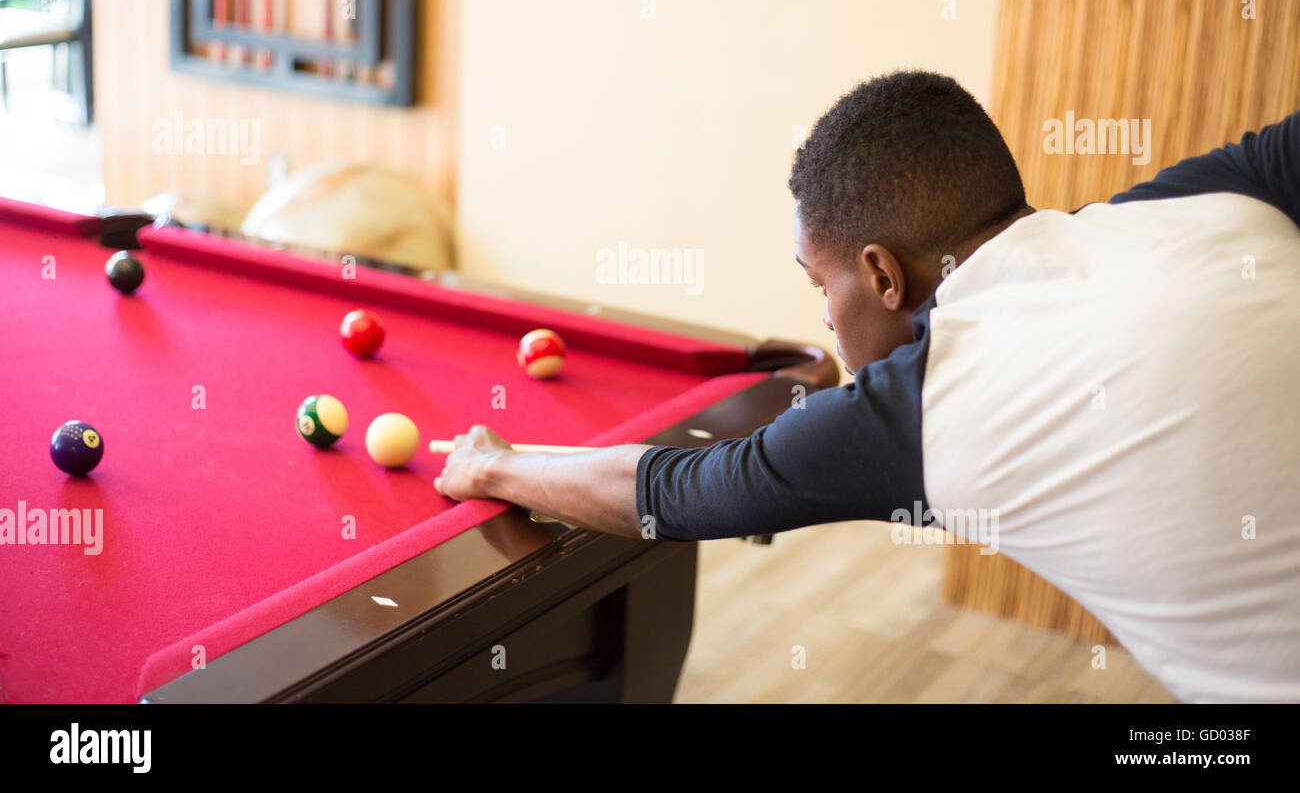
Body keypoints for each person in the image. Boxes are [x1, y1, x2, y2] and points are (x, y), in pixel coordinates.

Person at [437, 70, 1300, 703]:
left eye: (823, 287)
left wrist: (495, 468)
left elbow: (677, 490)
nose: (824, 318)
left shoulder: (929, 409)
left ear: (884, 276)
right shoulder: (1217, 200)